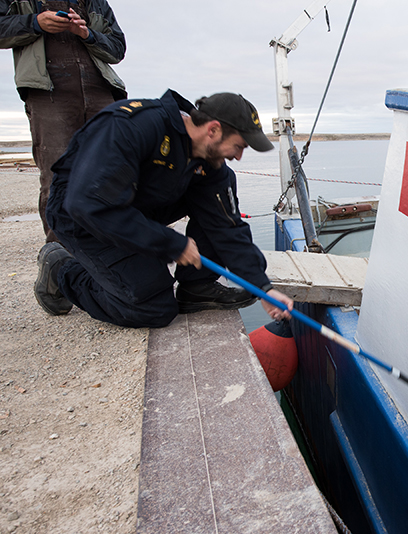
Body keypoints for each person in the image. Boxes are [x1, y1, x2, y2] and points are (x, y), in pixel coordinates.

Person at [33, 89, 293, 328]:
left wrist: (263, 288)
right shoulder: (132, 127)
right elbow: (89, 203)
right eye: (239, 146)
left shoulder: (208, 160)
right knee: (152, 308)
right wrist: (170, 243)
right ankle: (61, 270)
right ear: (213, 130)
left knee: (218, 190)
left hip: (135, 209)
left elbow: (227, 226)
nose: (238, 156)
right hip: (82, 215)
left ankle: (196, 286)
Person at [0, 0, 127, 243]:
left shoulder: (96, 2)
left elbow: (118, 48)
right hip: (47, 91)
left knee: (114, 174)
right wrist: (36, 22)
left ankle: (112, 252)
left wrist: (87, 34)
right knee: (58, 179)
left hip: (101, 90)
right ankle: (60, 257)